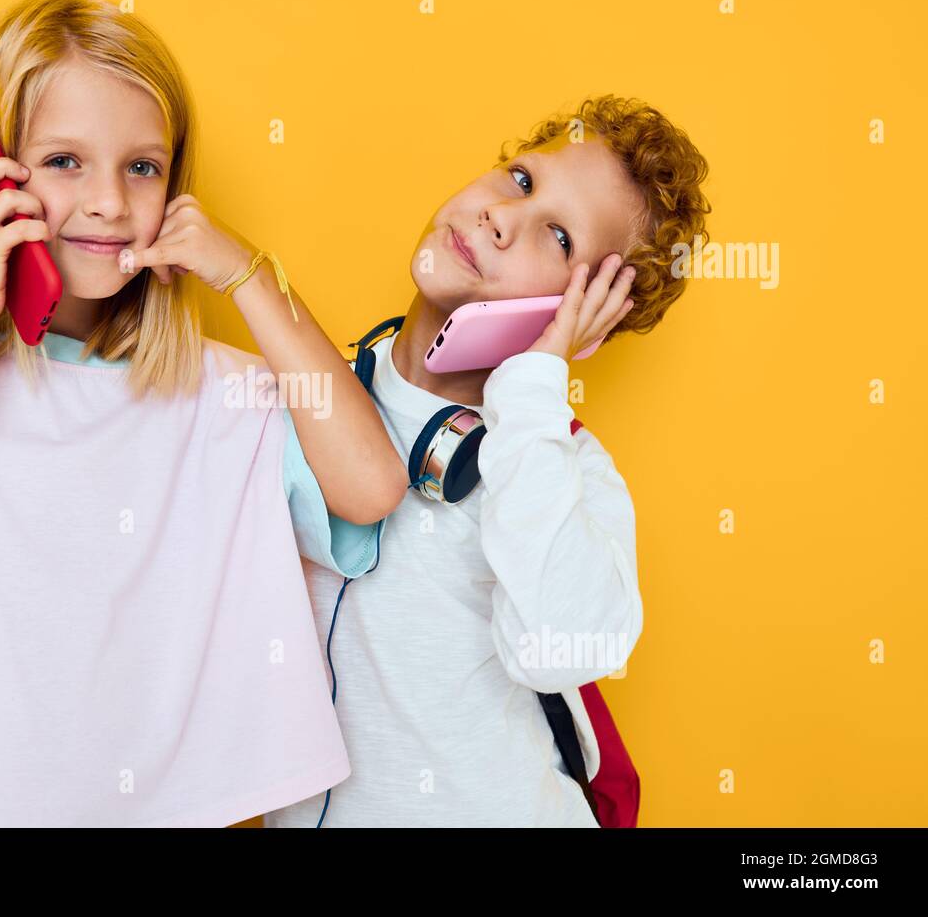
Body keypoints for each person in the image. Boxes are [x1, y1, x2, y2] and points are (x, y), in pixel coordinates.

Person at [0, 0, 406, 827]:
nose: (109, 200)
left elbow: (371, 487)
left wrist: (245, 273)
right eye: (66, 161)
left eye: (142, 167)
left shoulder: (227, 392)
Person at [265, 95, 711, 827]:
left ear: (584, 319)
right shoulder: (315, 391)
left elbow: (558, 646)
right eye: (523, 180)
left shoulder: (563, 471)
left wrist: (536, 387)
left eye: (559, 238)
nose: (503, 217)